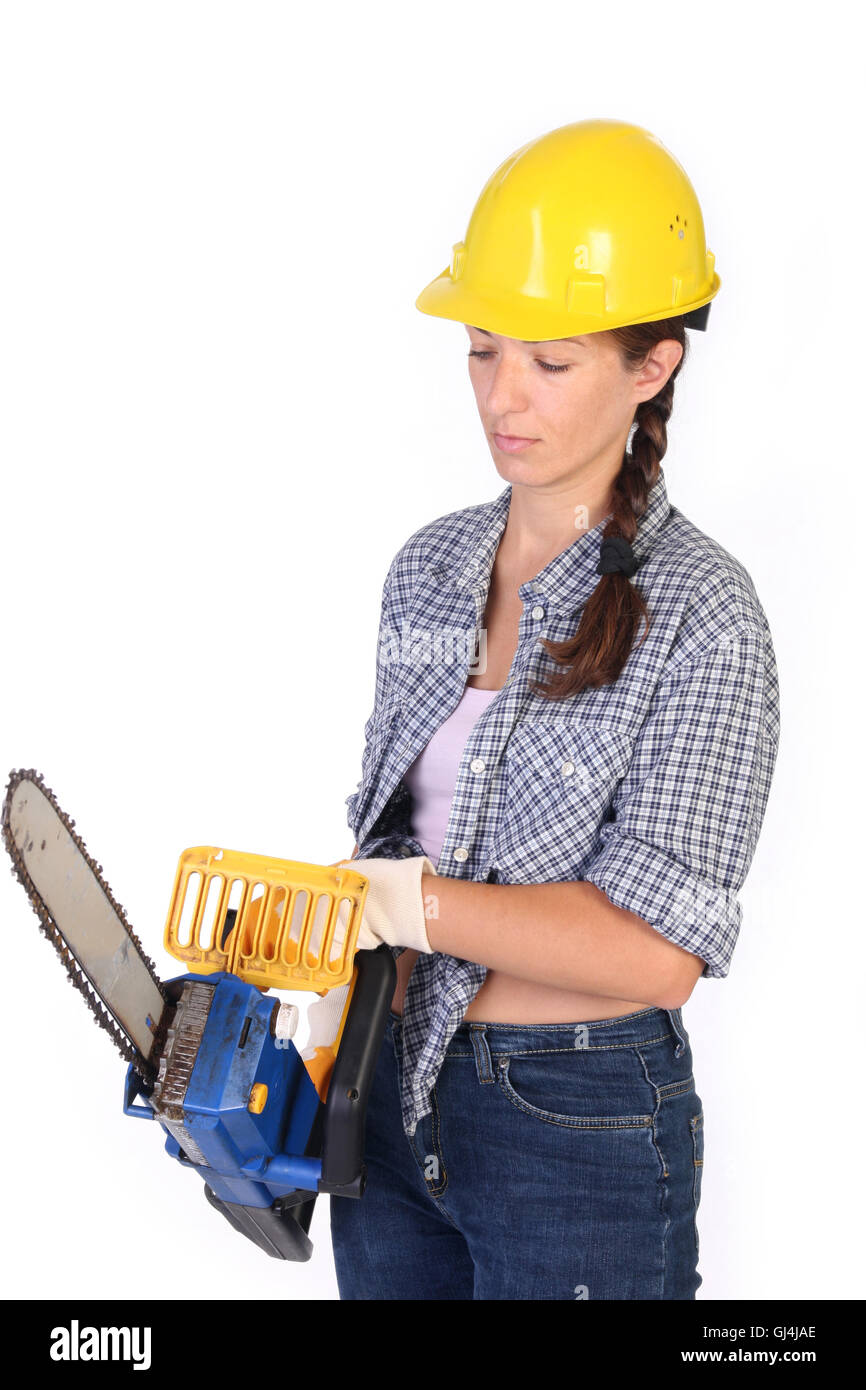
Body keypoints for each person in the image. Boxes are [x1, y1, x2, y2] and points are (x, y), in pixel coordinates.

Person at [329, 118, 781, 1300]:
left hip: (570, 1115)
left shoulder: (704, 616)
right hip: (383, 1084)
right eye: (481, 350)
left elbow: (656, 950)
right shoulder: (427, 572)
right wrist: (326, 1013)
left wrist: (408, 906)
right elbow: (392, 835)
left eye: (550, 360)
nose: (500, 395)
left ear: (651, 366)